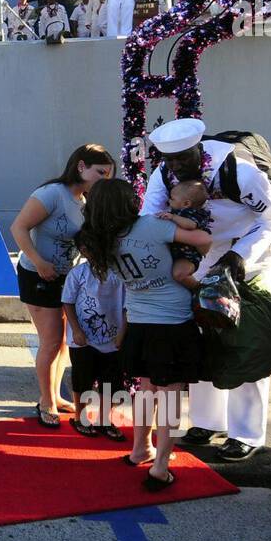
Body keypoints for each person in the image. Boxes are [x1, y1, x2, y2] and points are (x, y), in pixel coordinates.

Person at [142, 117, 271, 462]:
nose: (176, 167)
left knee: (245, 339)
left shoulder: (239, 170)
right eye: (170, 161)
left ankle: (246, 433)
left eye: (183, 159)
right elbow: (149, 219)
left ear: (199, 149)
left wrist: (239, 256)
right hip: (201, 258)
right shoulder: (163, 175)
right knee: (202, 337)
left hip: (248, 257)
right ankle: (209, 421)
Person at [80, 177, 212, 489]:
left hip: (138, 322)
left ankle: (140, 448)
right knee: (169, 398)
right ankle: (161, 467)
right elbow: (201, 240)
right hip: (173, 322)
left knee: (146, 389)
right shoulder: (150, 226)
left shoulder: (100, 239)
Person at [10, 144, 117, 428]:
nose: (104, 178)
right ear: (81, 166)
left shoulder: (84, 200)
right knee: (51, 341)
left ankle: (55, 395)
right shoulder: (51, 194)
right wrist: (39, 261)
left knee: (64, 344)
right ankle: (45, 402)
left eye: (108, 174)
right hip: (38, 276)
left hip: (65, 278)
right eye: (100, 172)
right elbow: (18, 228)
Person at [61, 255, 127, 440]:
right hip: (82, 339)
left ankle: (104, 419)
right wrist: (76, 330)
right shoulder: (78, 273)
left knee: (111, 381)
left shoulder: (120, 273)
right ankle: (80, 417)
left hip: (113, 339)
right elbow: (68, 301)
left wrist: (122, 335)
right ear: (84, 250)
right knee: (82, 378)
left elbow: (127, 306)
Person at [155, 179, 212, 292]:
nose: (169, 201)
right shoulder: (178, 210)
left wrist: (172, 217)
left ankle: (199, 290)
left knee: (179, 274)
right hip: (175, 252)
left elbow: (190, 225)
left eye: (172, 198)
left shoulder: (195, 213)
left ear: (186, 203)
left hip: (187, 256)